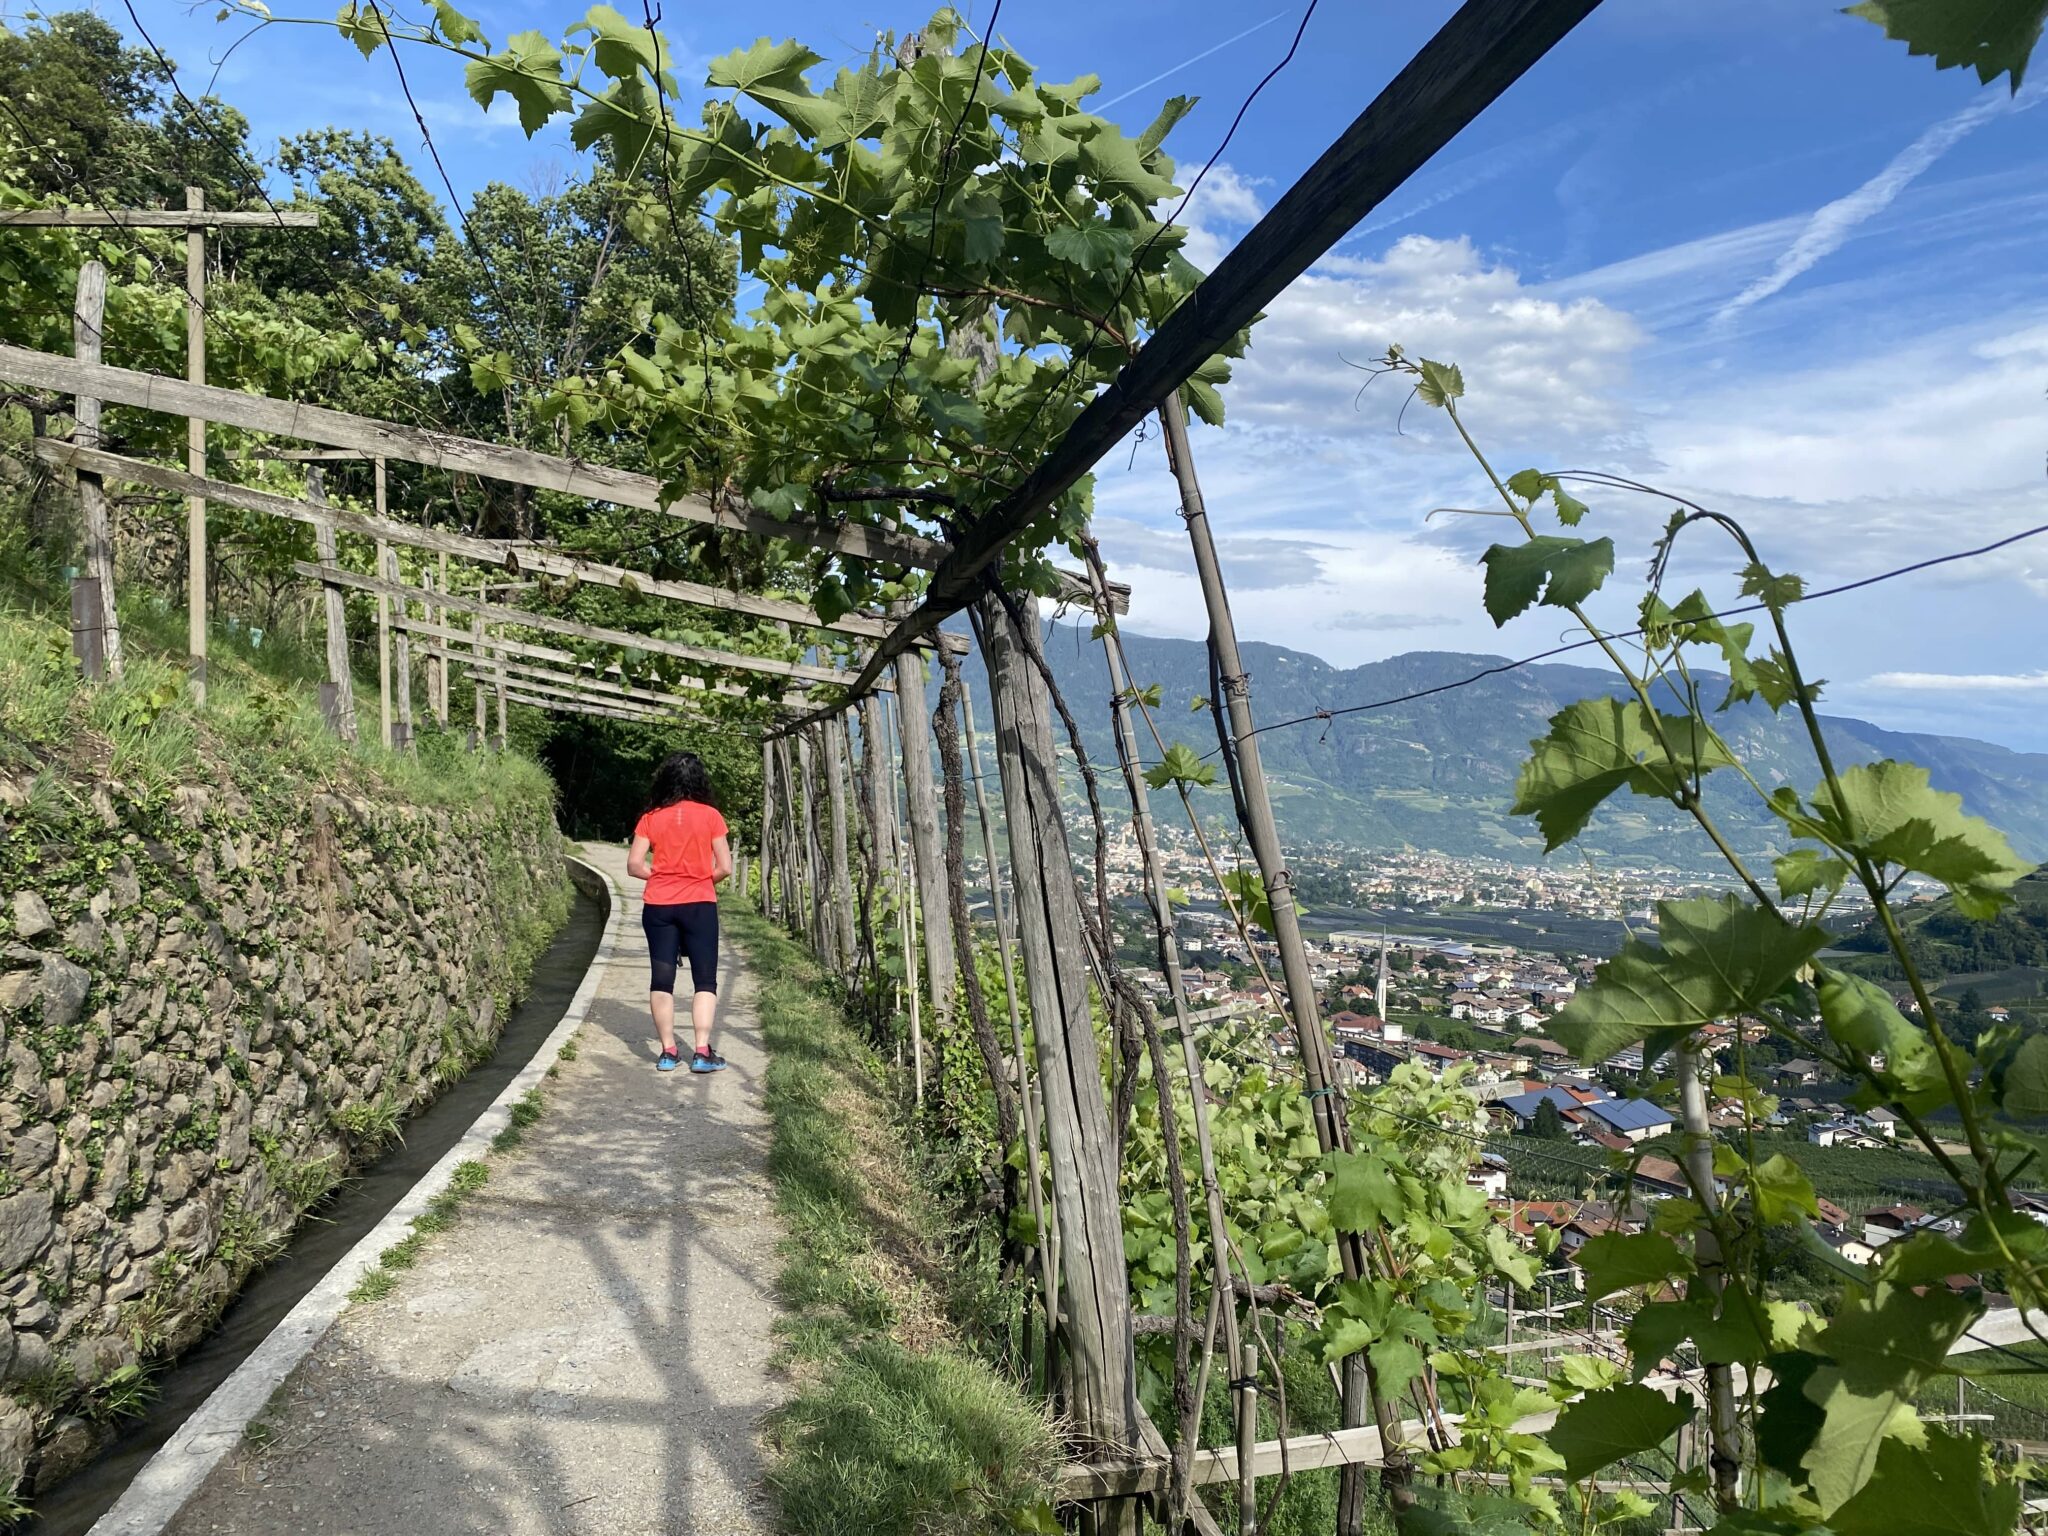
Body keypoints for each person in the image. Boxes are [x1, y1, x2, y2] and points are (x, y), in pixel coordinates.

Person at [627, 750, 734, 1073]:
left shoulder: (651, 817)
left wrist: (660, 877)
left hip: (658, 906)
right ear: (699, 781)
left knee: (662, 980)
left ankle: (668, 1052)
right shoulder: (711, 816)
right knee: (705, 981)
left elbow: (634, 865)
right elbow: (725, 867)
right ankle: (702, 1053)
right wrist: (700, 879)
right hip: (699, 904)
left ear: (666, 780)